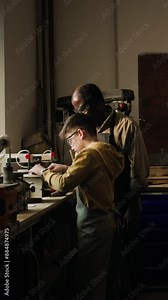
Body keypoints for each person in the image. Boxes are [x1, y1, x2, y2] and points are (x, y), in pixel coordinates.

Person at [29, 113, 124, 300]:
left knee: (90, 280)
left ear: (80, 133)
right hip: (105, 221)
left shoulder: (88, 153)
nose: (71, 145)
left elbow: (63, 184)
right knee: (102, 277)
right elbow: (92, 171)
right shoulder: (104, 149)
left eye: (70, 140)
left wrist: (42, 172)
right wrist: (66, 168)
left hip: (93, 225)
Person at [71, 83, 150, 291]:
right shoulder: (84, 132)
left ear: (97, 103)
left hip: (125, 203)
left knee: (126, 261)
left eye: (81, 109)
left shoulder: (126, 127)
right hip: (98, 211)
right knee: (99, 269)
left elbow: (139, 173)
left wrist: (132, 208)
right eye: (76, 111)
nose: (79, 115)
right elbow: (79, 168)